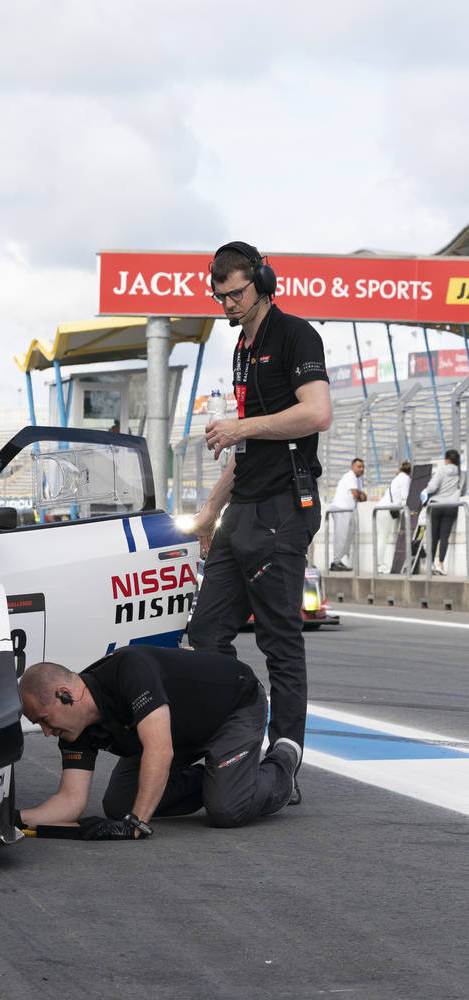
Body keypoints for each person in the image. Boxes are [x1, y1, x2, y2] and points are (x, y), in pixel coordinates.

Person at [187, 241, 331, 788]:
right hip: (242, 508)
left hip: (283, 509)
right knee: (206, 635)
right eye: (220, 295)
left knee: (278, 639)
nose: (228, 304)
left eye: (237, 293)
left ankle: (284, 762)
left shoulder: (297, 334)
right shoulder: (241, 350)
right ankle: (231, 738)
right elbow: (244, 450)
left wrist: (239, 427)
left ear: (263, 281)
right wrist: (207, 513)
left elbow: (318, 412)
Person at [17, 648, 301, 838]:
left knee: (227, 809)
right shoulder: (73, 730)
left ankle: (281, 764)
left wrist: (136, 823)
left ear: (65, 695)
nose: (44, 731)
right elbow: (70, 801)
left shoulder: (127, 670)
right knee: (119, 805)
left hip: (230, 711)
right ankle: (225, 778)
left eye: (43, 719)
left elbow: (159, 750)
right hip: (174, 733)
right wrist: (14, 818)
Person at [421, 449, 462, 576]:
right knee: (444, 537)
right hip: (451, 506)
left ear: (447, 459)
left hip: (437, 505)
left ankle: (431, 564)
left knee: (434, 537)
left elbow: (432, 487)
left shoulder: (441, 470)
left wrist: (425, 491)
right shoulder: (461, 473)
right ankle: (441, 565)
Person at [328, 457, 367, 571]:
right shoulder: (350, 476)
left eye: (363, 467)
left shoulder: (358, 480)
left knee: (347, 537)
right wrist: (359, 494)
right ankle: (335, 562)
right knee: (341, 536)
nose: (361, 469)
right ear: (352, 467)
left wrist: (360, 494)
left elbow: (364, 498)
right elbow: (356, 494)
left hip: (347, 510)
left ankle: (338, 561)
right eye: (359, 466)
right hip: (341, 509)